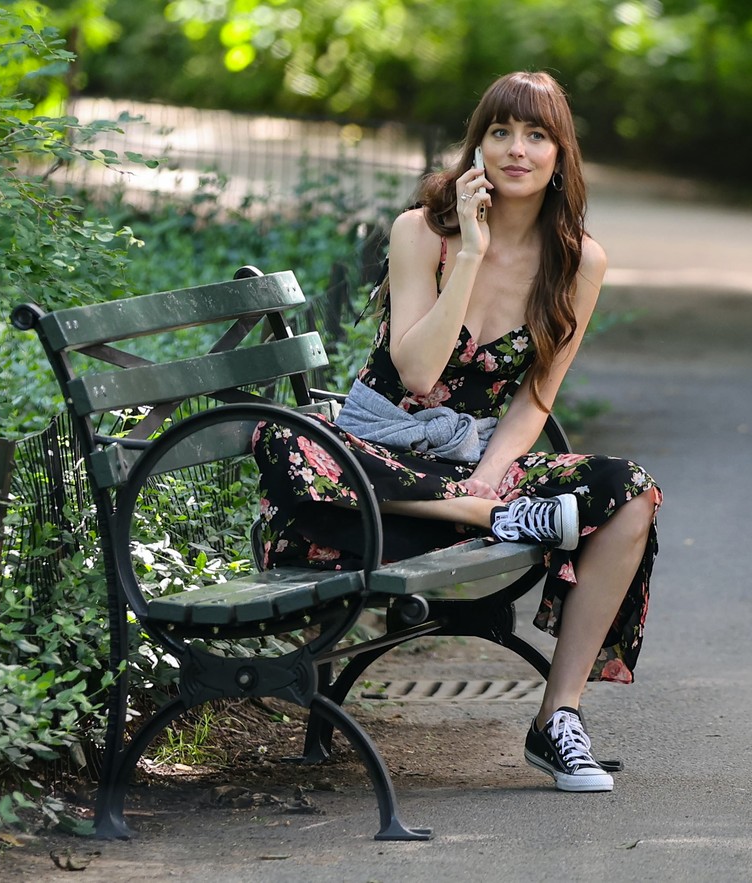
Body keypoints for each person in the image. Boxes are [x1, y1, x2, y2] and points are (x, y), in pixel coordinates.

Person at [253, 71, 661, 793]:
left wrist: (488, 476)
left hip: (463, 479)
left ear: (561, 157)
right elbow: (416, 373)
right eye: (499, 132)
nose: (516, 149)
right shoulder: (423, 233)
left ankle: (558, 717)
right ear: (475, 147)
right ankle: (497, 518)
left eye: (537, 135)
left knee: (629, 492)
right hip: (369, 484)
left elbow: (536, 399)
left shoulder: (577, 261)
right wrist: (468, 254)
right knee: (287, 441)